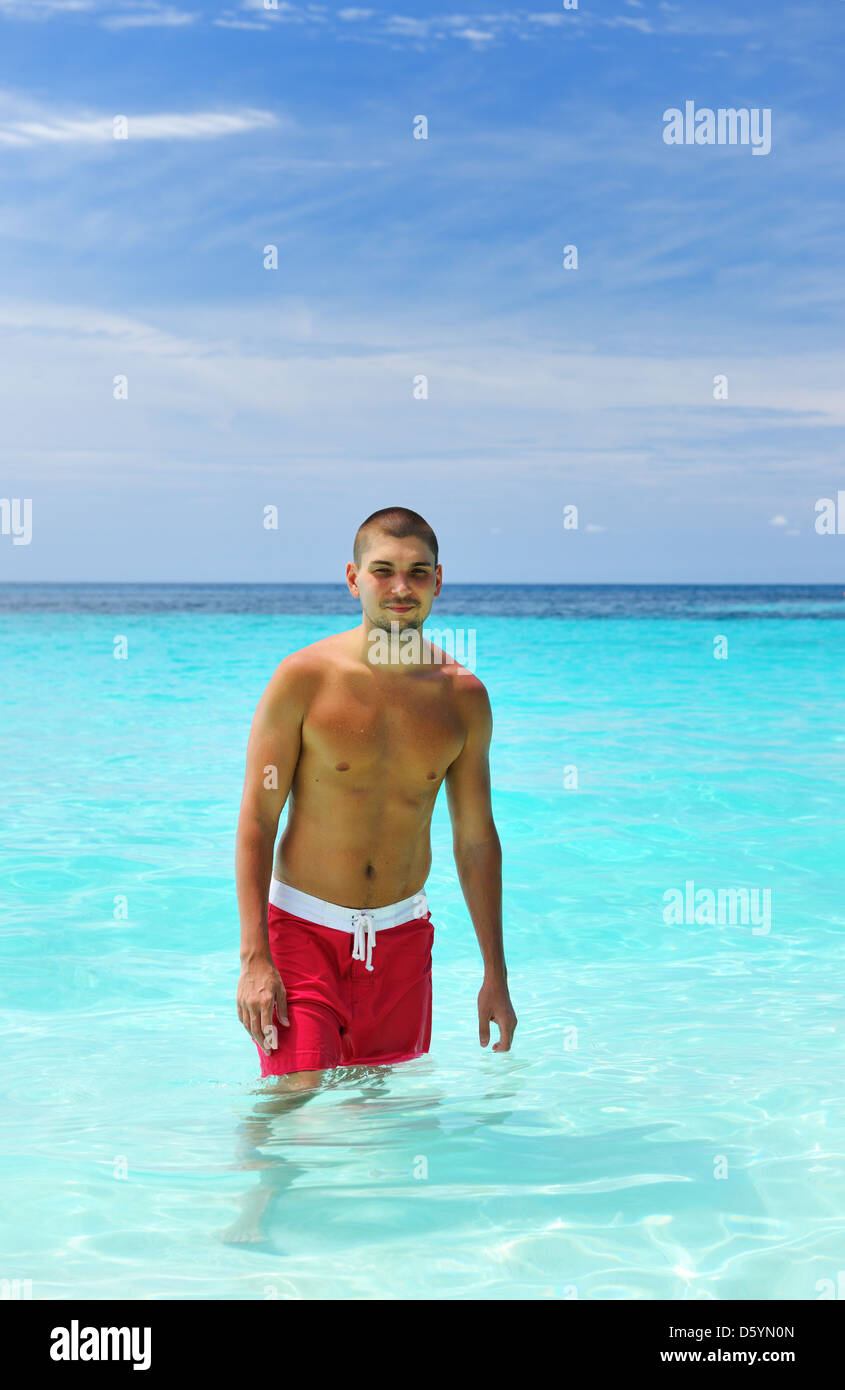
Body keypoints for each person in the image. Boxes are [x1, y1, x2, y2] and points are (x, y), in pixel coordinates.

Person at [235, 506, 516, 1091]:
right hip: (304, 934)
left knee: (377, 1127)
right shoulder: (303, 679)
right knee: (296, 1102)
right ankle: (253, 1186)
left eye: (418, 572)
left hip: (401, 941)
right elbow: (259, 820)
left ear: (438, 581)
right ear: (353, 578)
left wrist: (496, 974)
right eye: (383, 570)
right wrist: (254, 959)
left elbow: (475, 839)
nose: (400, 587)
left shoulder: (462, 698)